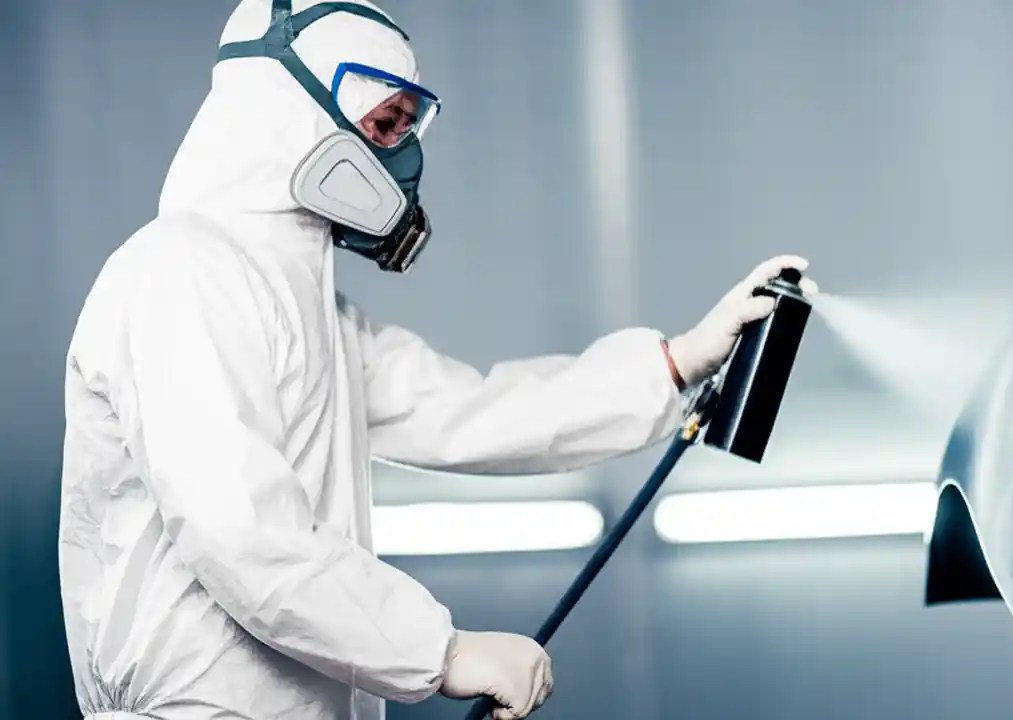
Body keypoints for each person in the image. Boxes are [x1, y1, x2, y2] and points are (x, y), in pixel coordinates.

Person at [57, 1, 818, 719]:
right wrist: (440, 651)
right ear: (286, 111)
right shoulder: (183, 273)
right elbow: (241, 532)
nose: (404, 158)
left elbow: (465, 411)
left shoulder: (307, 310)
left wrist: (676, 362)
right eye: (386, 126)